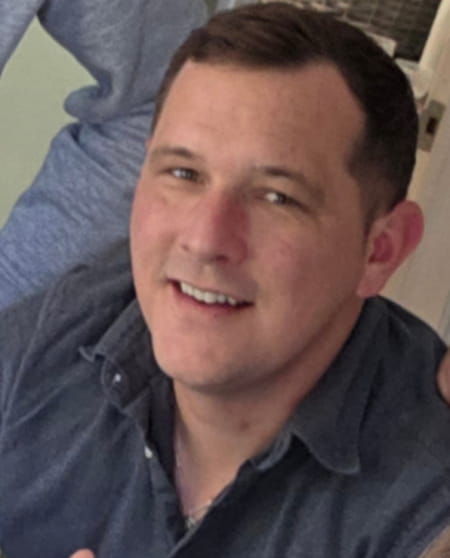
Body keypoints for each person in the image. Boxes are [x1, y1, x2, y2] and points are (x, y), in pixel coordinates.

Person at [2, 3, 450, 558]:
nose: (205, 239)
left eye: (277, 197)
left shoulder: (426, 507)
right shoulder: (54, 340)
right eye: (183, 173)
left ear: (380, 251)